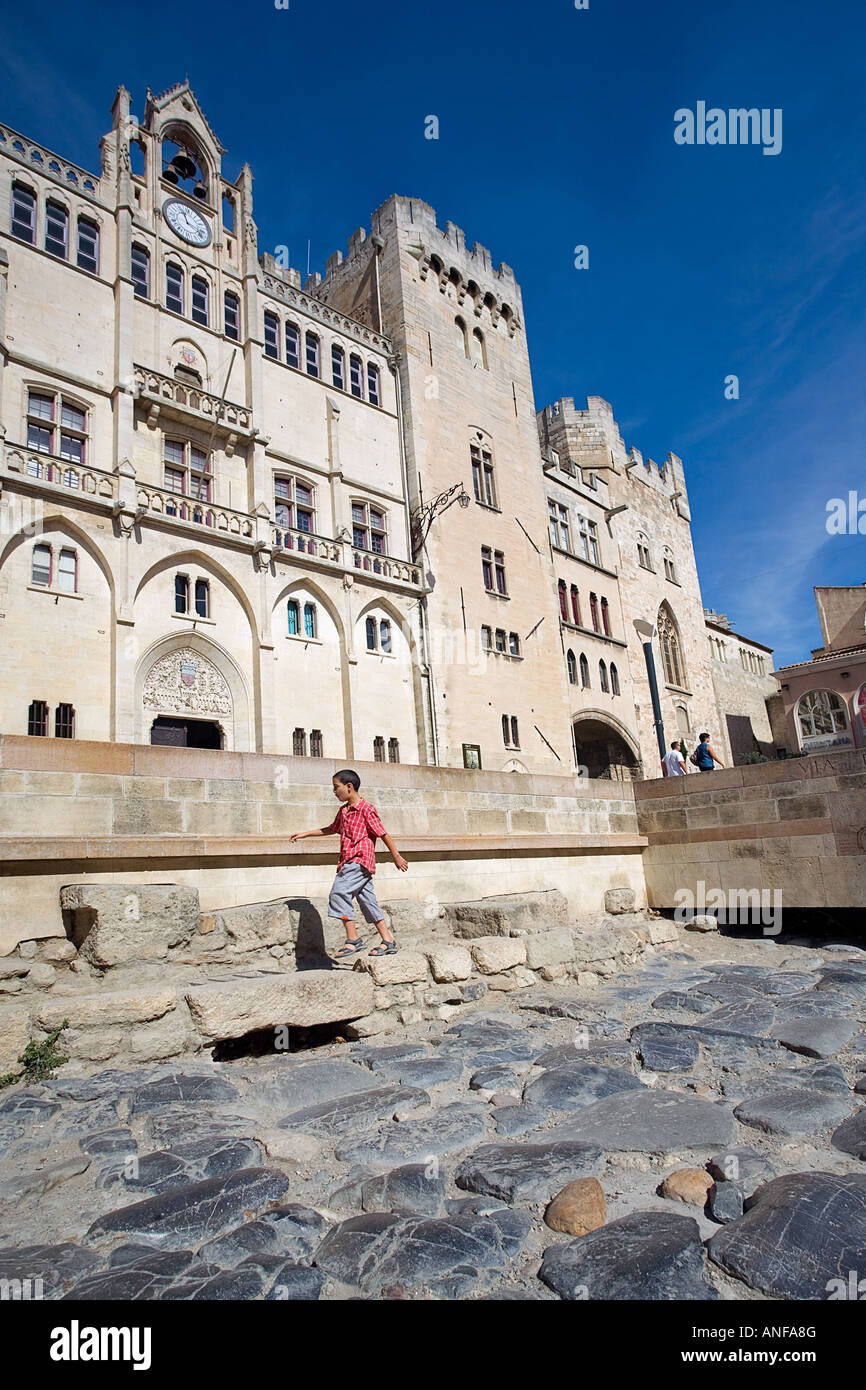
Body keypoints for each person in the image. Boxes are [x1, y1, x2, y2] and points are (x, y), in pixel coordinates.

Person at [290, 769, 408, 959]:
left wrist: (396, 856)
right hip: (348, 860)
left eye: (336, 787)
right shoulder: (343, 812)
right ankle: (388, 940)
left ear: (349, 787)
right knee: (367, 901)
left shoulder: (366, 809)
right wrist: (305, 833)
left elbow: (383, 833)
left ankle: (353, 939)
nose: (334, 791)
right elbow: (331, 829)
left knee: (338, 893)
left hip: (359, 860)